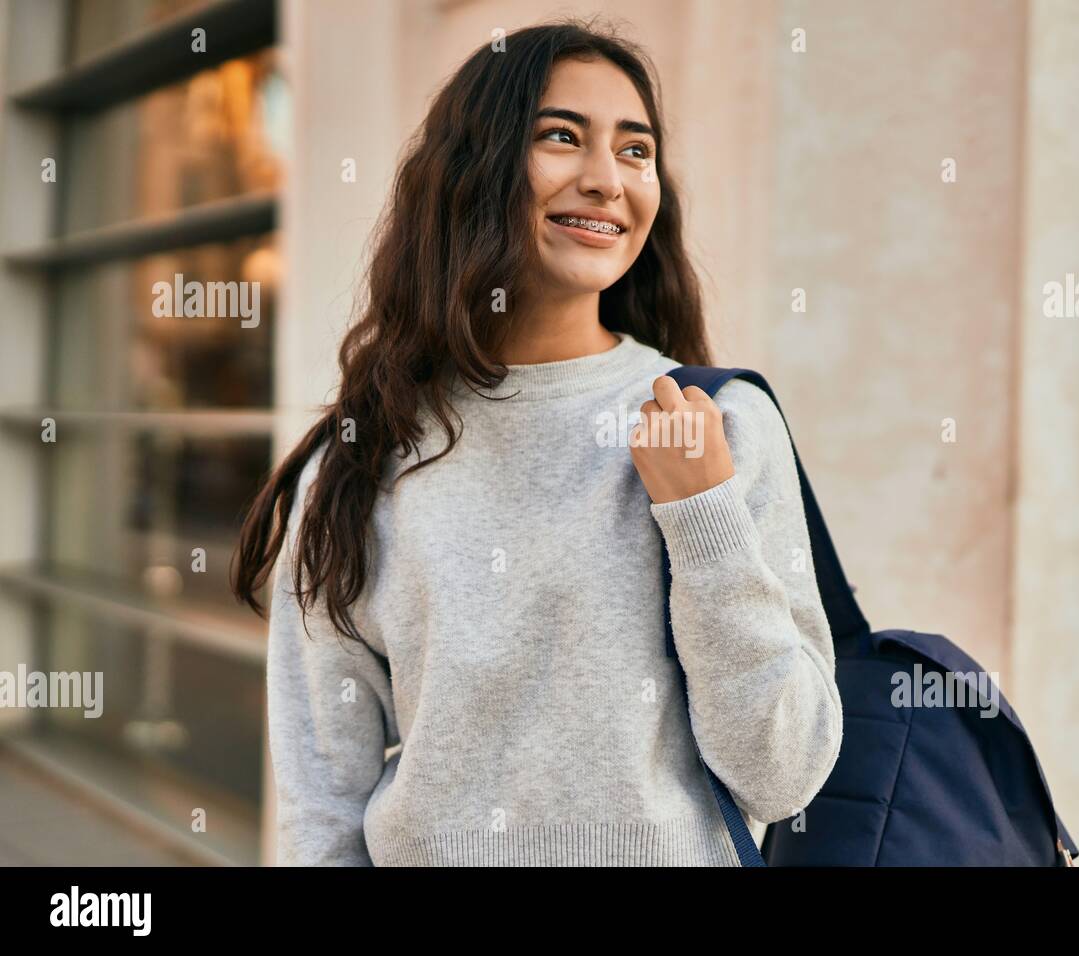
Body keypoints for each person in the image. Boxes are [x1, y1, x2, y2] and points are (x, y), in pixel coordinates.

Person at [232, 18, 842, 866]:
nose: (606, 180)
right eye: (561, 138)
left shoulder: (720, 424)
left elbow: (783, 773)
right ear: (473, 169)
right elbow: (321, 806)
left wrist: (704, 520)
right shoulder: (362, 459)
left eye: (636, 151)